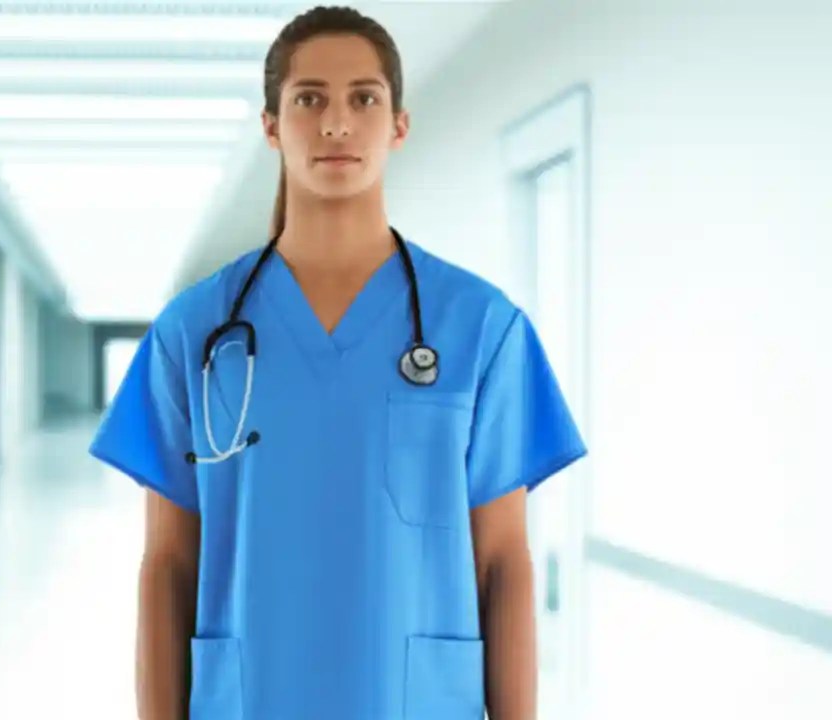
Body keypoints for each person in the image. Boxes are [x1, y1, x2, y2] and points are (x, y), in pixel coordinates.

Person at [89, 5, 587, 719]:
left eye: (364, 98)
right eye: (308, 98)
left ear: (399, 124)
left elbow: (503, 561)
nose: (336, 122)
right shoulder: (194, 332)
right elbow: (168, 567)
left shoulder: (479, 327)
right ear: (271, 125)